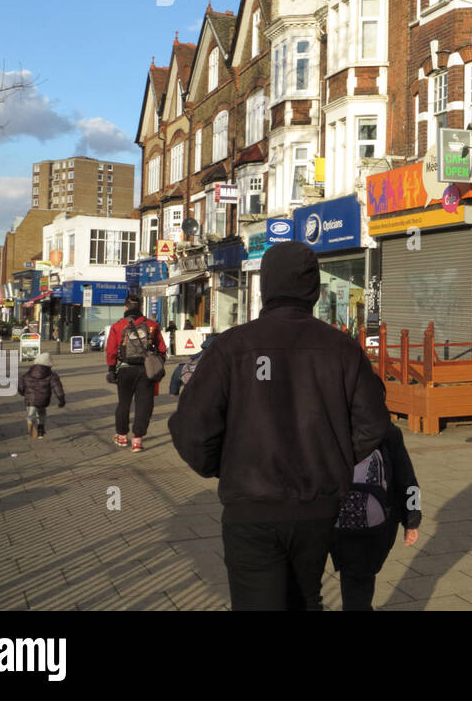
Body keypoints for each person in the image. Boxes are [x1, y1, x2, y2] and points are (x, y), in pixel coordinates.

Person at [169, 241, 390, 612]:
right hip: (318, 507)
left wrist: (220, 466)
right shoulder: (342, 348)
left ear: (264, 288)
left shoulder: (231, 347)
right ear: (315, 292)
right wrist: (333, 460)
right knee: (305, 598)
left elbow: (191, 428)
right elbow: (373, 423)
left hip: (251, 506)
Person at [331, 423, 421, 611]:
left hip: (329, 518)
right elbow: (408, 480)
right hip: (377, 520)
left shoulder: (326, 423)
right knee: (359, 583)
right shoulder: (387, 431)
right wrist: (412, 518)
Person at [106, 293, 168, 452]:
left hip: (125, 369)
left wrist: (111, 369)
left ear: (125, 307)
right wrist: (158, 363)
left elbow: (111, 350)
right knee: (144, 404)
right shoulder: (152, 325)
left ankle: (121, 435)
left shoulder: (118, 326)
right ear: (140, 307)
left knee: (124, 403)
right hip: (145, 370)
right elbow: (162, 348)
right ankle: (137, 440)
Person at [18, 351, 66, 439]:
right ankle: (40, 430)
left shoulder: (27, 374)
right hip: (43, 399)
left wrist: (23, 393)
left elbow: (21, 386)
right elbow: (58, 389)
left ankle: (30, 420)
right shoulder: (52, 375)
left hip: (30, 399)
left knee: (31, 412)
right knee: (42, 413)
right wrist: (61, 400)